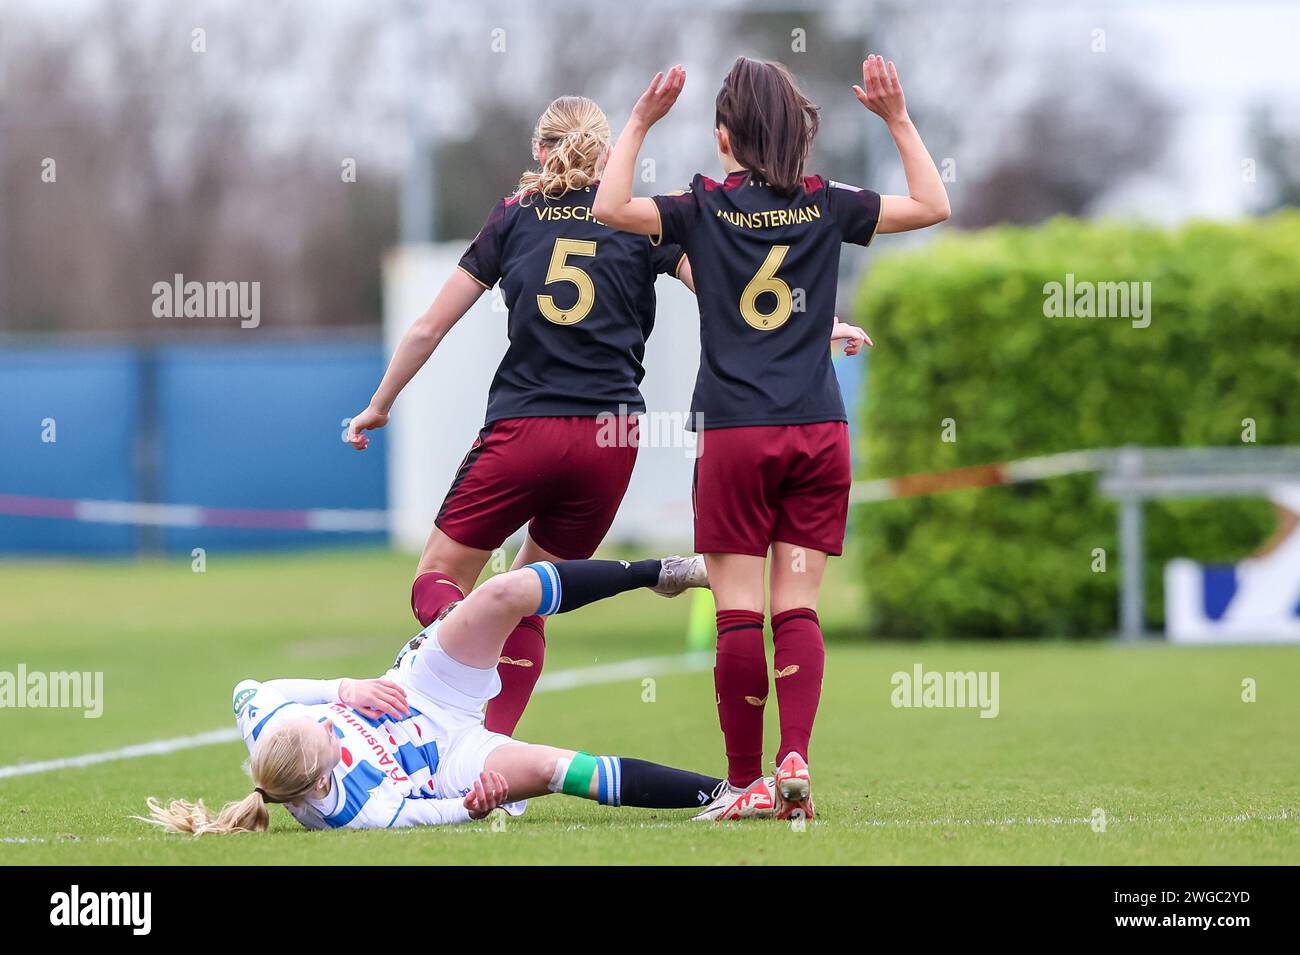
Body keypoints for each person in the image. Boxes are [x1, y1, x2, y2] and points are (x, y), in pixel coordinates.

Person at [594, 55, 950, 820]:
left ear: (723, 137)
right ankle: (796, 760)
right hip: (818, 431)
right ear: (801, 135)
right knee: (798, 609)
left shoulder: (702, 206)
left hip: (735, 434)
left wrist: (637, 121)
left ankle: (745, 780)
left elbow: (609, 208)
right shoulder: (826, 202)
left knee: (736, 615)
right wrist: (896, 118)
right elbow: (932, 204)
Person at [344, 96, 697, 739]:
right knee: (531, 597)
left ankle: (461, 708)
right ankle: (491, 754)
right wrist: (816, 329)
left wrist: (380, 404)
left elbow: (428, 328)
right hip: (611, 440)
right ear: (605, 154)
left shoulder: (514, 217)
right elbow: (731, 300)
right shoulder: (642, 221)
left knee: (434, 581)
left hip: (526, 431)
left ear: (540, 151)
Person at [140, 555, 774, 833]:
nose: (329, 722)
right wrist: (474, 805)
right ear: (318, 782)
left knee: (500, 595)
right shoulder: (352, 811)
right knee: (560, 770)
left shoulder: (272, 726)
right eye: (327, 733)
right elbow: (426, 815)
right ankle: (729, 794)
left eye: (322, 719)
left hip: (421, 686)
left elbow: (250, 687)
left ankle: (659, 574)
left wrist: (344, 688)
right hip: (451, 759)